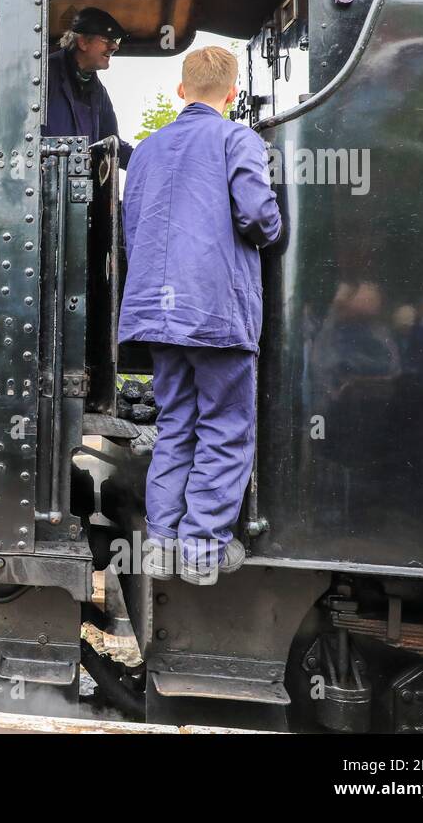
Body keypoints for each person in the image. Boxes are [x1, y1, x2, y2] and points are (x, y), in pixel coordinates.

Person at [118, 46, 283, 585]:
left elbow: (133, 230)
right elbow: (258, 215)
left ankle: (162, 547)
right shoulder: (239, 139)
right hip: (216, 313)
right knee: (225, 429)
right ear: (232, 94)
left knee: (174, 425)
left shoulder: (145, 150)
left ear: (181, 91)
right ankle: (204, 551)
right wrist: (272, 234)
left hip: (156, 314)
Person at [42, 7, 133, 168]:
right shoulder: (44, 74)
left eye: (116, 41)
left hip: (79, 189)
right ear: (83, 42)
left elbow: (111, 144)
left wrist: (149, 159)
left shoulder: (99, 92)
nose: (115, 47)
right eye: (107, 40)